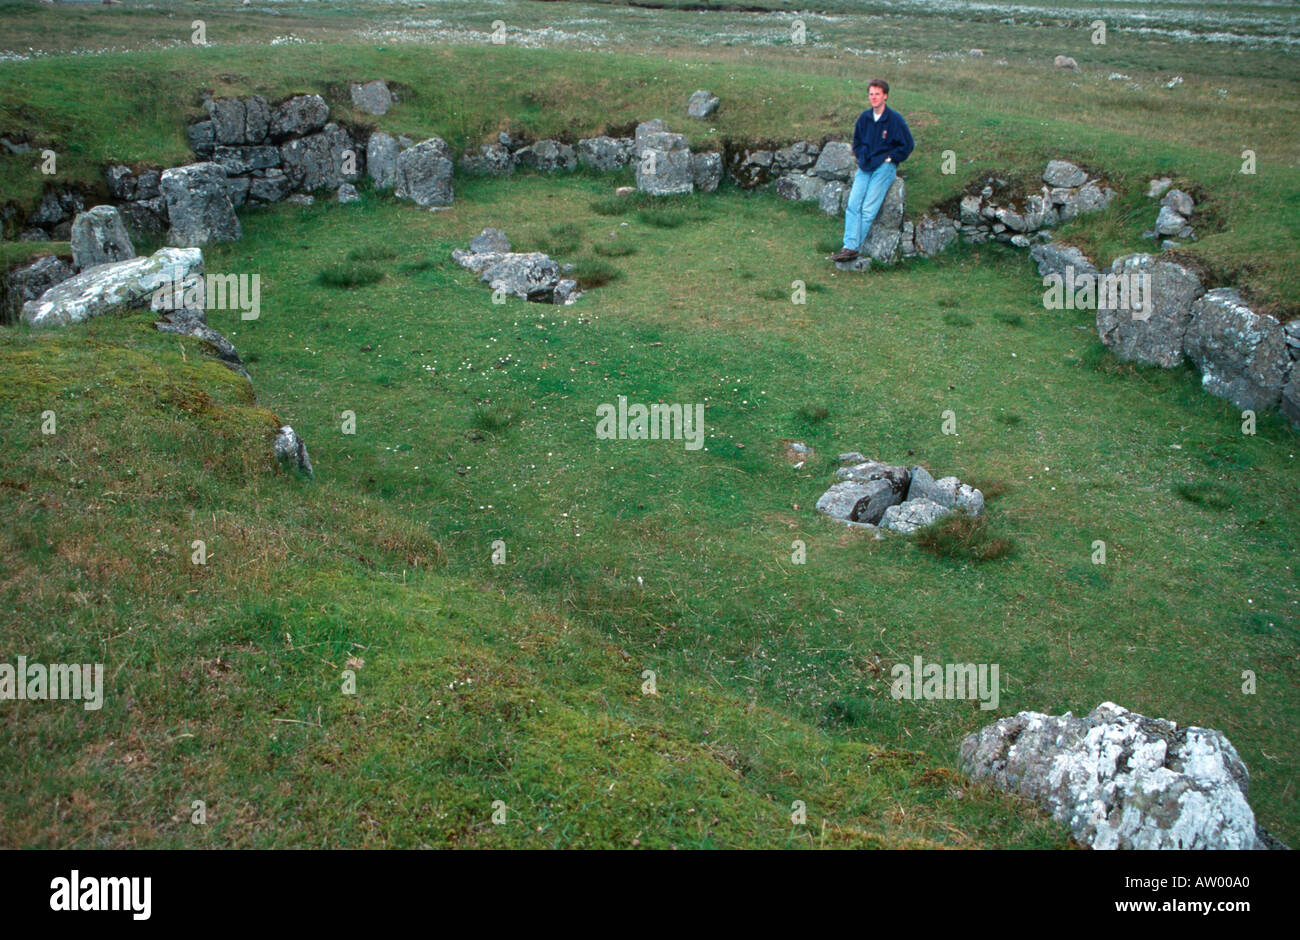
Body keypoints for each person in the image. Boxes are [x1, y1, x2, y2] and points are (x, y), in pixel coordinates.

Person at [832, 79, 914, 263]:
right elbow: (858, 142)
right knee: (853, 204)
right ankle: (849, 246)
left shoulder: (894, 120)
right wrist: (862, 157)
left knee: (868, 209)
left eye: (877, 94)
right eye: (871, 94)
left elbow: (907, 144)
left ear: (885, 96)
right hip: (865, 165)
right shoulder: (865, 118)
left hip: (884, 167)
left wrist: (891, 158)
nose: (874, 98)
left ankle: (851, 248)